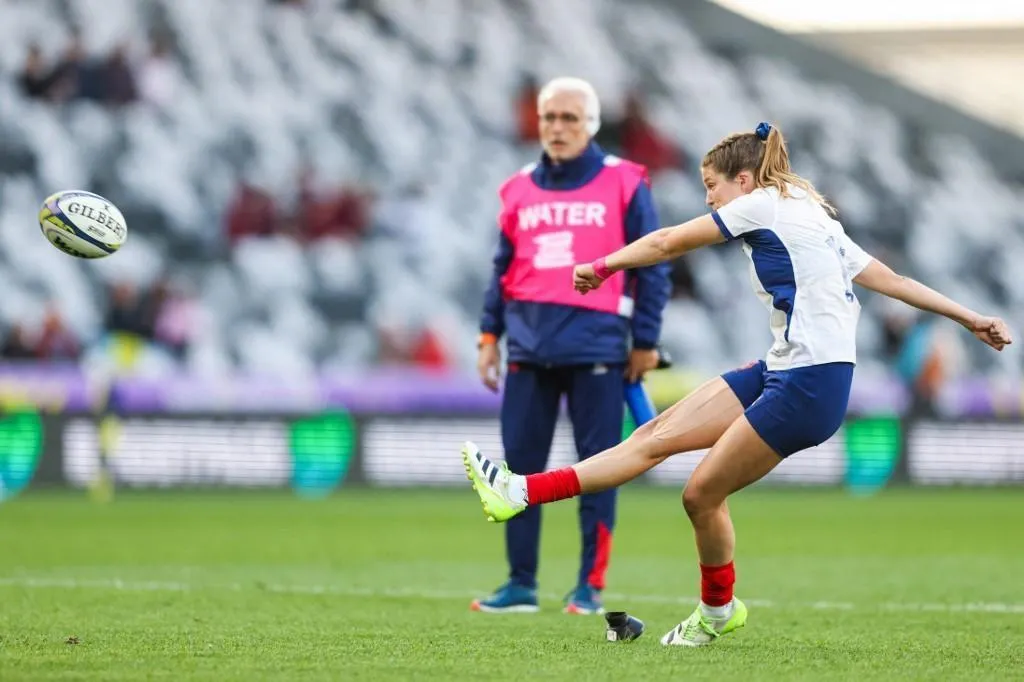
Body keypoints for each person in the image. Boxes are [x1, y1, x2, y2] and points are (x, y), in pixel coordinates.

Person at [461, 121, 1012, 644]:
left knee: (700, 494)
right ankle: (519, 491)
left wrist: (602, 265)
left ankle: (717, 614)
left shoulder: (761, 205)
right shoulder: (812, 215)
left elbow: (667, 242)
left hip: (810, 385)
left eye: (712, 186)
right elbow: (891, 280)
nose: (709, 198)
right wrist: (969, 317)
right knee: (651, 437)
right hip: (784, 368)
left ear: (743, 181)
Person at [472, 77, 671, 615]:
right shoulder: (516, 188)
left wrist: (645, 341)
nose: (558, 128)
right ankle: (520, 584)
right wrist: (489, 335)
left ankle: (589, 586)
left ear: (592, 125)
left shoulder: (626, 182)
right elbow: (502, 269)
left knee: (598, 469)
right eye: (550, 118)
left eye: (570, 119)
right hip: (528, 350)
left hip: (600, 350)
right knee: (518, 471)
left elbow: (653, 263)